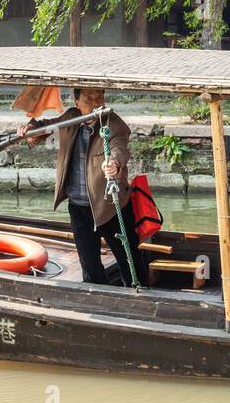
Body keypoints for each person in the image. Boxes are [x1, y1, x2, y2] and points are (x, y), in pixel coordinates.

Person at [19, 88, 144, 287]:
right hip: (79, 205)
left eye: (99, 97)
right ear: (77, 101)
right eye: (89, 98)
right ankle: (99, 302)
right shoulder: (71, 118)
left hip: (110, 205)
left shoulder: (114, 124)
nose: (96, 103)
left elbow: (119, 148)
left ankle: (141, 294)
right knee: (89, 264)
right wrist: (31, 129)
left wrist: (114, 163)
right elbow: (46, 127)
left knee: (130, 259)